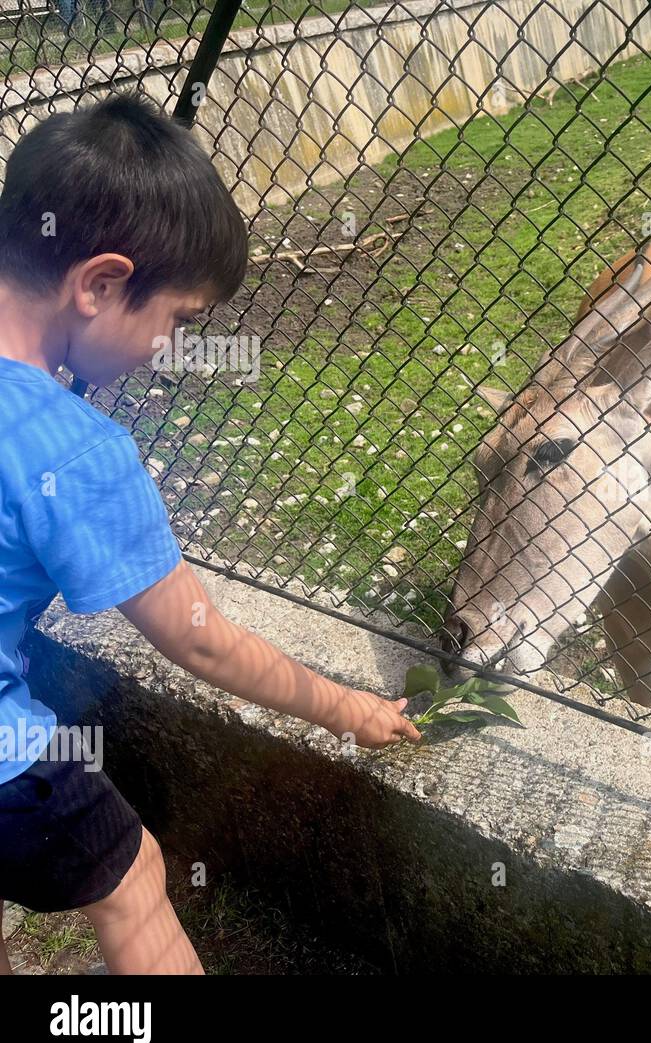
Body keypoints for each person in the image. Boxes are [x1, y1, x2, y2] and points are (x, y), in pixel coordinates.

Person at [0, 94, 419, 975]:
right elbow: (204, 645)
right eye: (181, 321)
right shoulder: (74, 452)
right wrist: (352, 710)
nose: (171, 347)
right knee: (132, 875)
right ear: (101, 282)